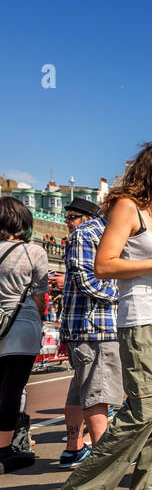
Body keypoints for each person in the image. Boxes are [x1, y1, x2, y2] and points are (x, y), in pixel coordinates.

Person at [57, 143, 152, 490]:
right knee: (143, 410)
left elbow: (150, 265)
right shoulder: (126, 206)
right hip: (140, 320)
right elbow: (104, 264)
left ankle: (149, 487)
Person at [58, 196, 123, 467]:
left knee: (83, 391)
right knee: (100, 395)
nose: (68, 222)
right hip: (94, 329)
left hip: (89, 328)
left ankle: (74, 449)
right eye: (68, 217)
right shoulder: (89, 233)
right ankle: (104, 464)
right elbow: (88, 282)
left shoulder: (104, 233)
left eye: (72, 217)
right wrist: (126, 295)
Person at [0, 195, 49, 473]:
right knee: (12, 388)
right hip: (21, 325)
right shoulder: (34, 252)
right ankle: (6, 449)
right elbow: (40, 296)